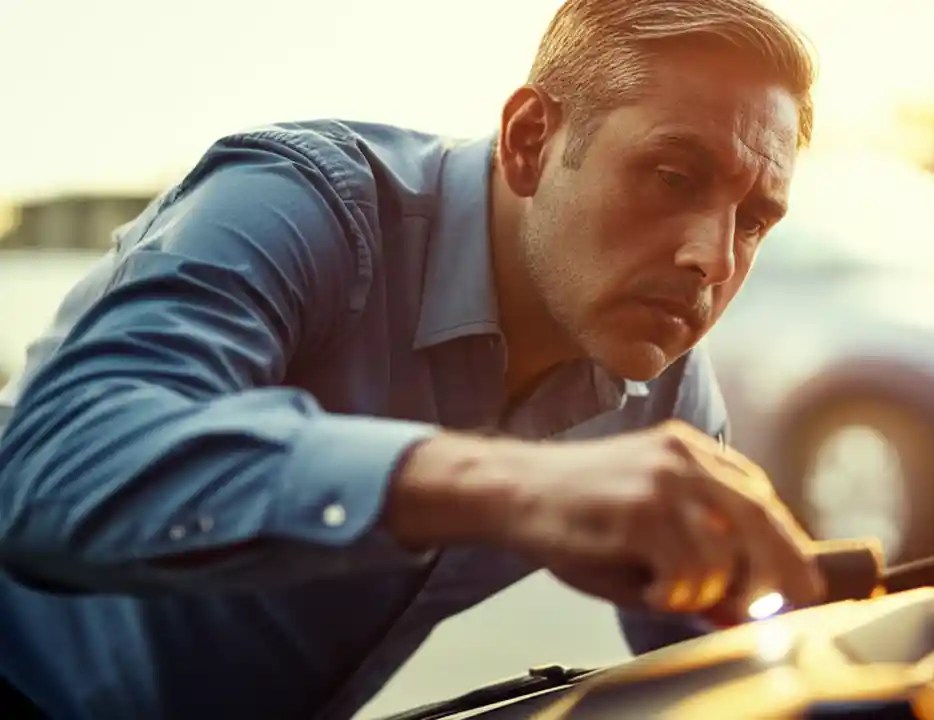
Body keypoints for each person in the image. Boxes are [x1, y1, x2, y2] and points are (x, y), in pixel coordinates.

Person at [0, 0, 822, 717]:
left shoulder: (665, 384)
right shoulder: (301, 203)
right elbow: (49, 467)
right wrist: (505, 486)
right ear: (532, 138)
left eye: (754, 220)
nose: (713, 260)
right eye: (674, 176)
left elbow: (720, 661)